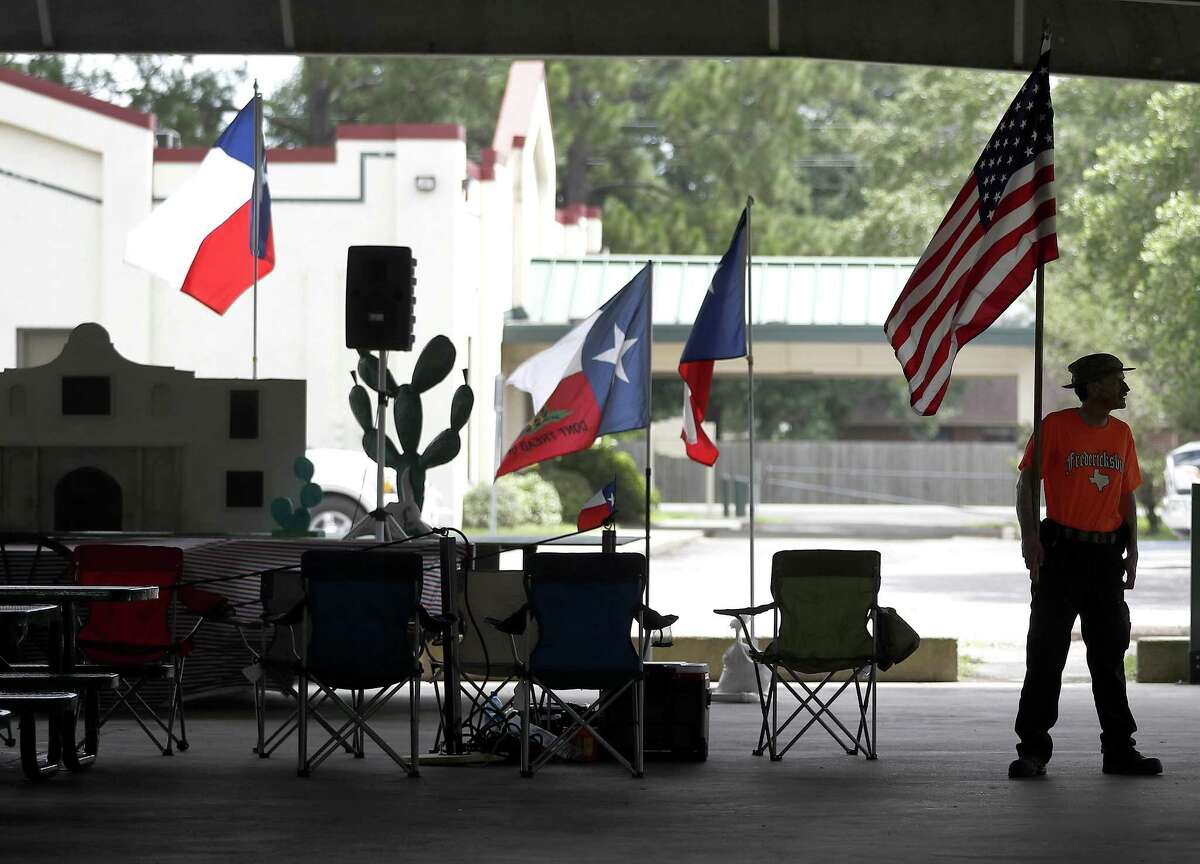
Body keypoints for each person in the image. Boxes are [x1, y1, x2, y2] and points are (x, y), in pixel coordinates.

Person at [1009, 353, 1162, 779]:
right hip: (1061, 554)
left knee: (1109, 654)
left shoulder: (1122, 434)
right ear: (1094, 387)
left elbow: (1125, 493)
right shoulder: (1056, 427)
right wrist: (1029, 535)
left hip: (1104, 558)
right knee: (1046, 652)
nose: (1125, 389)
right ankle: (1033, 750)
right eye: (1118, 381)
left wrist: (1132, 548)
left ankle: (1119, 749)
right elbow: (1027, 481)